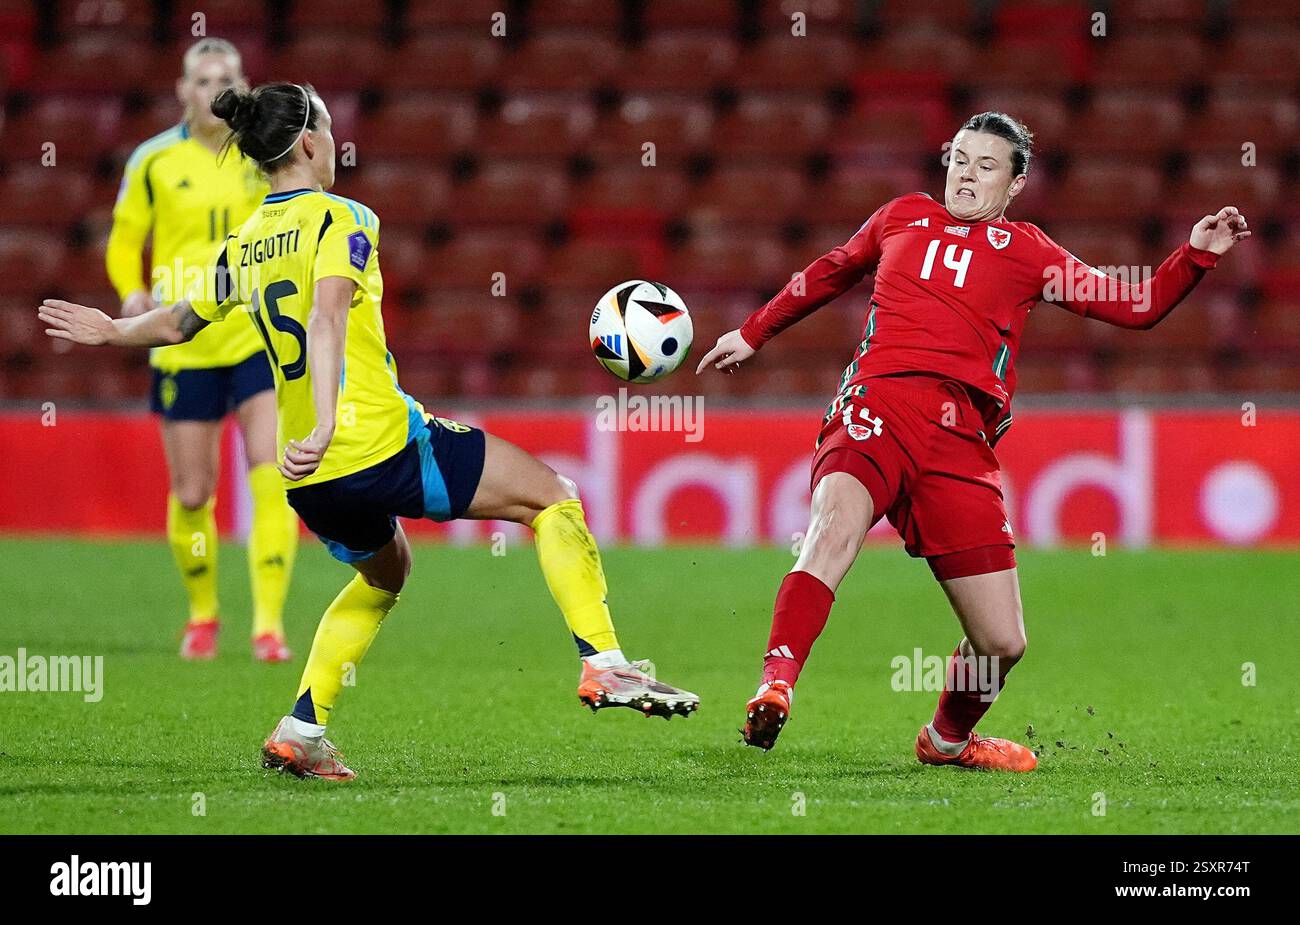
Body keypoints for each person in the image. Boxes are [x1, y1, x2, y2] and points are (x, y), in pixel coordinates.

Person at [41, 82, 699, 782]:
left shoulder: (247, 240)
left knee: (387, 574)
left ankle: (301, 729)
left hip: (310, 475)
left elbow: (178, 323)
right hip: (372, 441)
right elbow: (325, 317)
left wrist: (113, 330)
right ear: (308, 142)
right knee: (554, 496)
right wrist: (329, 419)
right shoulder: (343, 219)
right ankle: (605, 664)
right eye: (327, 125)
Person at [696, 111, 1250, 771]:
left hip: (960, 440)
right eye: (959, 158)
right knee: (831, 531)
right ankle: (777, 681)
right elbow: (831, 270)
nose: (966, 172)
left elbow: (1135, 308)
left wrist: (1195, 255)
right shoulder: (902, 215)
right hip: (879, 401)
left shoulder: (1032, 254)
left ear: (1015, 185)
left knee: (1002, 641)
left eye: (986, 165)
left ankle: (947, 739)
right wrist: (753, 332)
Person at [106, 38, 297, 662]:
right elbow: (124, 238)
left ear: (242, 86)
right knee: (192, 492)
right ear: (183, 91)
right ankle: (203, 616)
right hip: (180, 338)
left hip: (254, 334)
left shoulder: (263, 151)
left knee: (272, 473)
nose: (214, 89)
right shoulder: (154, 160)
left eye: (227, 78)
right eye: (203, 79)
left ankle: (268, 626)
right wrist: (130, 292)